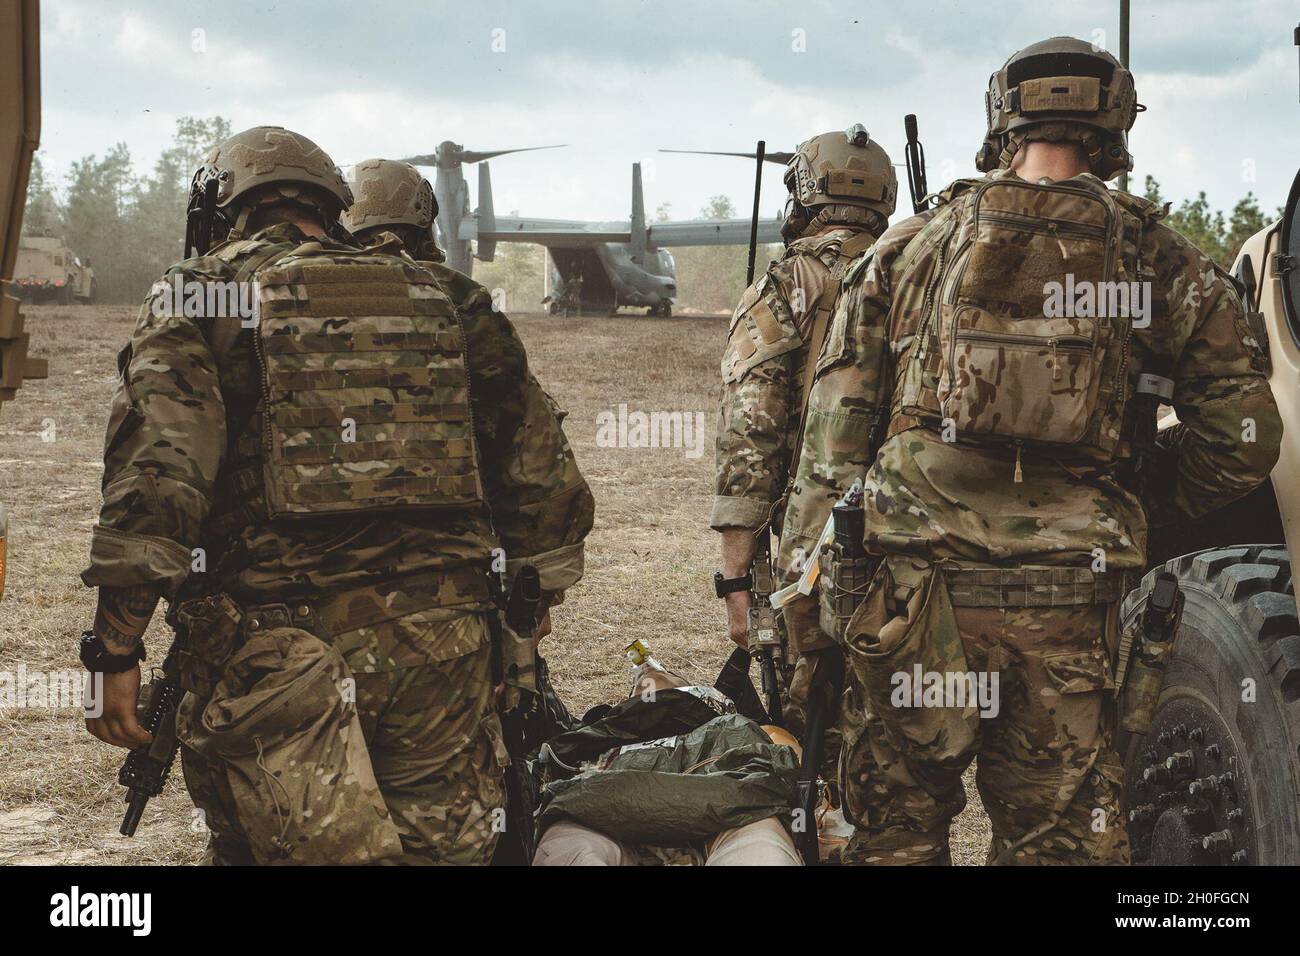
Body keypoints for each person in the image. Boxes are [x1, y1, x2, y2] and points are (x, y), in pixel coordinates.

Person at [790, 37, 1282, 865]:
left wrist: (804, 612)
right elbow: (1246, 437)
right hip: (1071, 602)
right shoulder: (1161, 261)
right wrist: (1135, 499)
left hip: (913, 598)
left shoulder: (909, 248)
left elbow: (830, 447)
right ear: (1115, 122)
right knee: (1058, 843)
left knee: (896, 833)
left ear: (1002, 118)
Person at [80, 126, 594, 865]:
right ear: (332, 205)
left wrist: (113, 652)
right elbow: (539, 472)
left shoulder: (202, 295)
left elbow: (158, 482)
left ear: (227, 206)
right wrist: (527, 609)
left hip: (279, 655)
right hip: (442, 650)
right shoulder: (447, 295)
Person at [710, 126, 896, 792]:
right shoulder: (922, 269)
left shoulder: (786, 283)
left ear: (806, 195)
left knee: (808, 727)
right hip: (916, 534)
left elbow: (750, 434)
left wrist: (735, 578)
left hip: (813, 547)